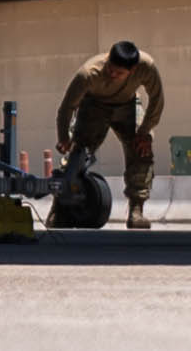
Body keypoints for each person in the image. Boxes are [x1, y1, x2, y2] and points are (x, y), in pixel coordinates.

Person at [57, 41, 165, 228]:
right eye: (110, 69)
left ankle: (136, 211)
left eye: (119, 73)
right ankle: (60, 209)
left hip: (128, 105)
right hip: (94, 105)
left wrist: (145, 131)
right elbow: (67, 107)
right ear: (107, 60)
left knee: (142, 150)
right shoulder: (88, 73)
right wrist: (64, 137)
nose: (112, 75)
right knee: (78, 155)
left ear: (132, 70)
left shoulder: (146, 66)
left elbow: (157, 99)